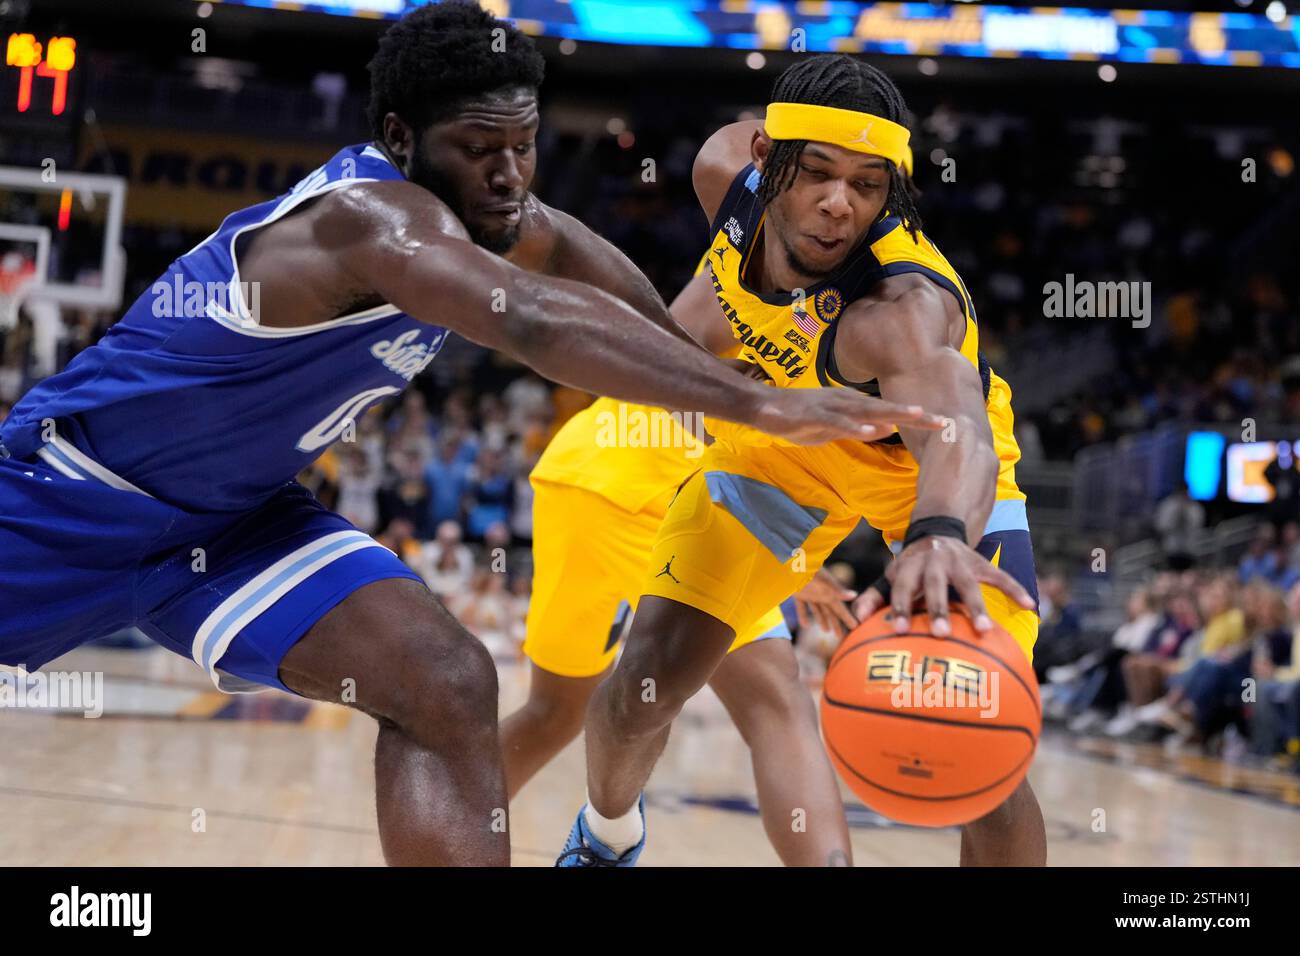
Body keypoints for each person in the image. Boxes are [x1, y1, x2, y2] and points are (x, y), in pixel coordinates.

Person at [0, 5, 935, 867]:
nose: (508, 175)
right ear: (401, 139)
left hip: (238, 524)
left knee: (446, 679)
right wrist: (762, 404)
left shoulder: (498, 212)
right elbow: (529, 318)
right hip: (70, 496)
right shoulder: (371, 224)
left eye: (524, 146)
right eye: (479, 148)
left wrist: (711, 373)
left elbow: (562, 250)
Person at [560, 55, 1040, 867]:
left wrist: (940, 531)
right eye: (816, 172)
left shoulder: (901, 305)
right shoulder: (722, 173)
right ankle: (607, 838)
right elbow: (704, 318)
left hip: (926, 468)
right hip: (785, 448)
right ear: (763, 160)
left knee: (981, 729)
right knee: (643, 684)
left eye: (866, 183)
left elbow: (955, 425)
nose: (838, 203)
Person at [504, 268, 860, 866]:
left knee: (554, 711)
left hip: (582, 470)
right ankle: (609, 837)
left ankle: (441, 847)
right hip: (671, 492)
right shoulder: (824, 285)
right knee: (776, 700)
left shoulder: (778, 255)